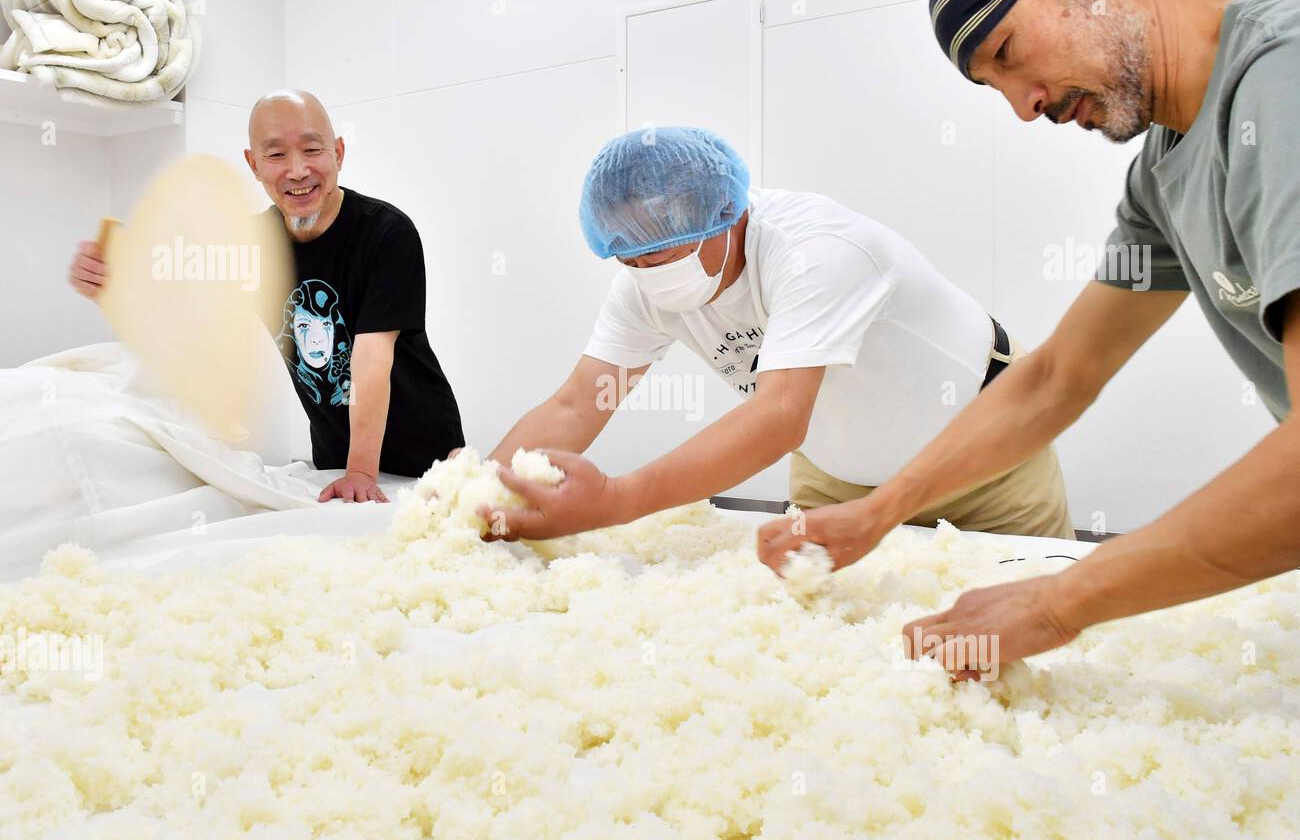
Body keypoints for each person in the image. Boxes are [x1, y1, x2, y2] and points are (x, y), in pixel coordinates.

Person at [758, 0, 1300, 676]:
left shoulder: (1282, 79)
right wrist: (881, 511)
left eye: (1009, 52)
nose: (1025, 106)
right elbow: (1055, 377)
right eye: (996, 86)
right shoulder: (1164, 171)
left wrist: (1058, 603)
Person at [480, 126, 1073, 542]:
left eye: (669, 253)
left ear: (729, 215)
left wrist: (615, 501)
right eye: (632, 260)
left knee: (1027, 633)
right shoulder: (641, 290)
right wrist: (481, 488)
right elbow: (577, 401)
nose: (652, 275)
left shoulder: (815, 252)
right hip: (835, 478)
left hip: (984, 457)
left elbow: (779, 416)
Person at [69, 89, 465, 502]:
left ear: (339, 153)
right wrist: (107, 286)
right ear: (253, 165)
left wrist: (362, 472)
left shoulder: (387, 233)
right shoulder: (253, 247)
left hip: (429, 460)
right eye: (275, 156)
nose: (297, 171)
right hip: (333, 464)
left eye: (312, 149)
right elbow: (186, 324)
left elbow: (371, 359)